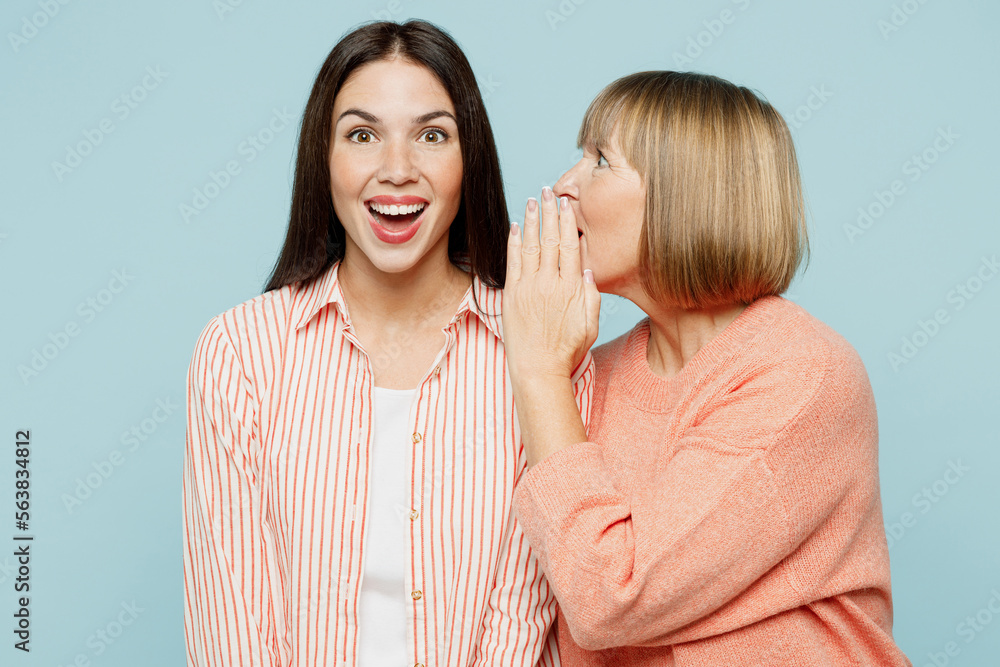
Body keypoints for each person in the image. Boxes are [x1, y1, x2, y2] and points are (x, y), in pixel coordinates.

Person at [182, 20, 591, 666]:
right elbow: (231, 625)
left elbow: (524, 617)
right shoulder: (241, 352)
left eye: (432, 135)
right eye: (362, 134)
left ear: (469, 160)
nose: (397, 170)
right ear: (324, 157)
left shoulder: (540, 349)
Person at [502, 71, 912, 665]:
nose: (564, 186)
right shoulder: (592, 376)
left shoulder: (801, 374)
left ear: (686, 192)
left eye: (599, 160)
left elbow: (608, 596)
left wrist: (538, 372)